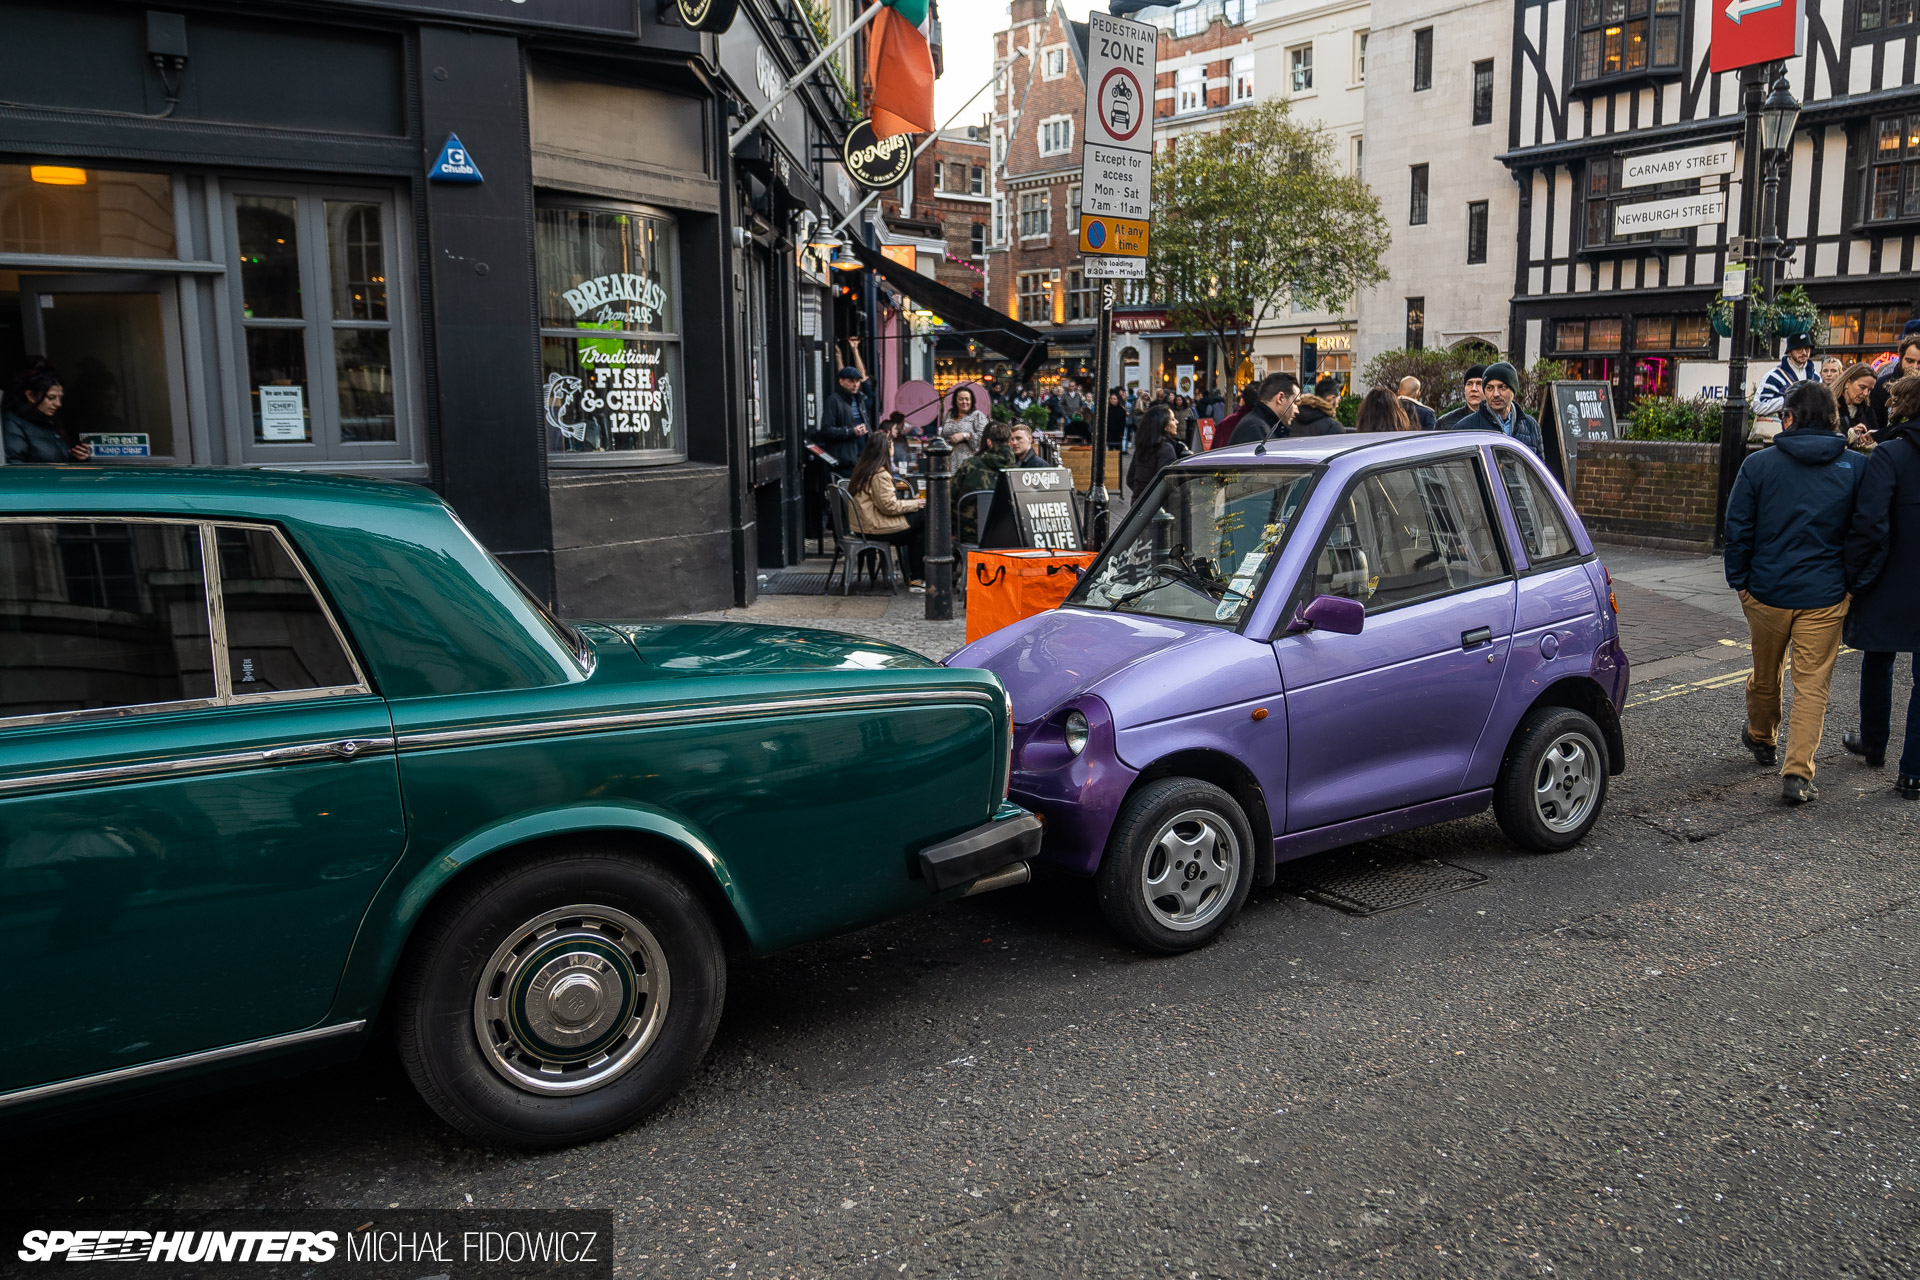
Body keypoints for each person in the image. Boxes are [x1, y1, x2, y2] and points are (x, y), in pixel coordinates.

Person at [1724, 380, 1864, 805]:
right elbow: (1865, 533)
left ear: (1788, 417)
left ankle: (1762, 737)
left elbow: (1737, 528)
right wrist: (1852, 585)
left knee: (1766, 673)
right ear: (1832, 418)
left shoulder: (1759, 466)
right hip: (1825, 595)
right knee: (1812, 685)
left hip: (1765, 592)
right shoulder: (1855, 467)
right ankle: (1798, 774)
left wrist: (1740, 583)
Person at [1842, 375, 1920, 799]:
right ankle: (1913, 773)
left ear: (1903, 409)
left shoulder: (1888, 454)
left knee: (1880, 657)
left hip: (1892, 574)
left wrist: (1854, 577)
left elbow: (1869, 524)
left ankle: (1874, 742)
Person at [844, 434, 926, 585]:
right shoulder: (879, 474)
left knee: (919, 533)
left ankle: (917, 578)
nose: (893, 448)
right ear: (887, 449)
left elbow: (885, 503)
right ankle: (918, 577)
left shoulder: (864, 469)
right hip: (874, 528)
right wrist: (917, 504)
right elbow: (889, 507)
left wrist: (911, 502)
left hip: (862, 526)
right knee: (924, 515)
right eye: (892, 445)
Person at [1446, 362, 1544, 454]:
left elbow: (1539, 467)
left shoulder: (1531, 426)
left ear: (1513, 391)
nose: (1496, 394)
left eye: (1502, 387)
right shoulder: (1465, 428)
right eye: (1489, 388)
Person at [3, 364, 90, 465]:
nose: (58, 404)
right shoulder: (12, 423)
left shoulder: (50, 423)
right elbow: (14, 466)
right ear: (30, 396)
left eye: (59, 398)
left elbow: (57, 460)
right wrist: (47, 469)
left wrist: (76, 458)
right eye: (51, 397)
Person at [953, 419, 1017, 543]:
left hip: (970, 534)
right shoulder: (1017, 473)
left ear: (989, 442)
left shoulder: (969, 465)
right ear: (1010, 443)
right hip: (1006, 536)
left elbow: (950, 498)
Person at [1755, 332, 1821, 418]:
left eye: (1807, 349)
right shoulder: (1773, 376)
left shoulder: (1816, 377)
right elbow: (1759, 406)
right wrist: (1789, 400)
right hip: (1781, 429)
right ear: (1790, 351)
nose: (1804, 352)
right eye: (1799, 349)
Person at [816, 365, 869, 471]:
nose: (855, 385)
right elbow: (826, 430)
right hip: (845, 461)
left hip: (862, 458)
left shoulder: (860, 399)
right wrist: (851, 431)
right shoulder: (834, 400)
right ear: (841, 382)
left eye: (857, 381)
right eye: (851, 381)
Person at [1226, 372, 1299, 446]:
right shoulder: (1256, 430)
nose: (1297, 411)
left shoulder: (1260, 427)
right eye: (1295, 402)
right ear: (1280, 398)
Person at [1126, 403, 1181, 498]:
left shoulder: (1142, 447)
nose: (1177, 422)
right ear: (1163, 425)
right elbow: (1167, 484)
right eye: (1172, 419)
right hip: (1157, 508)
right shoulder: (1166, 449)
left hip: (1139, 504)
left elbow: (1130, 479)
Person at [1870, 332, 1920, 422]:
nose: (1915, 366)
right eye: (1910, 361)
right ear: (1901, 359)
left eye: (1919, 363)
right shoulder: (1881, 386)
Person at [1835, 362, 1883, 446]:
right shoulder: (1828, 406)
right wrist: (1850, 435)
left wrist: (1870, 440)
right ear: (1847, 383)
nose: (1866, 393)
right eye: (1862, 387)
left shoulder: (1868, 411)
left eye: (1869, 390)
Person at [1436, 365, 1487, 430]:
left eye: (1479, 383)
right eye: (1469, 384)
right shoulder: (1445, 423)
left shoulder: (1498, 420)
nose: (1474, 389)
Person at [944, 386, 989, 450]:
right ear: (955, 401)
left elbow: (984, 440)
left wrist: (965, 435)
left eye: (967, 399)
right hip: (947, 457)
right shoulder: (949, 415)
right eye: (961, 399)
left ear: (971, 401)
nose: (964, 402)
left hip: (969, 458)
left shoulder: (978, 415)